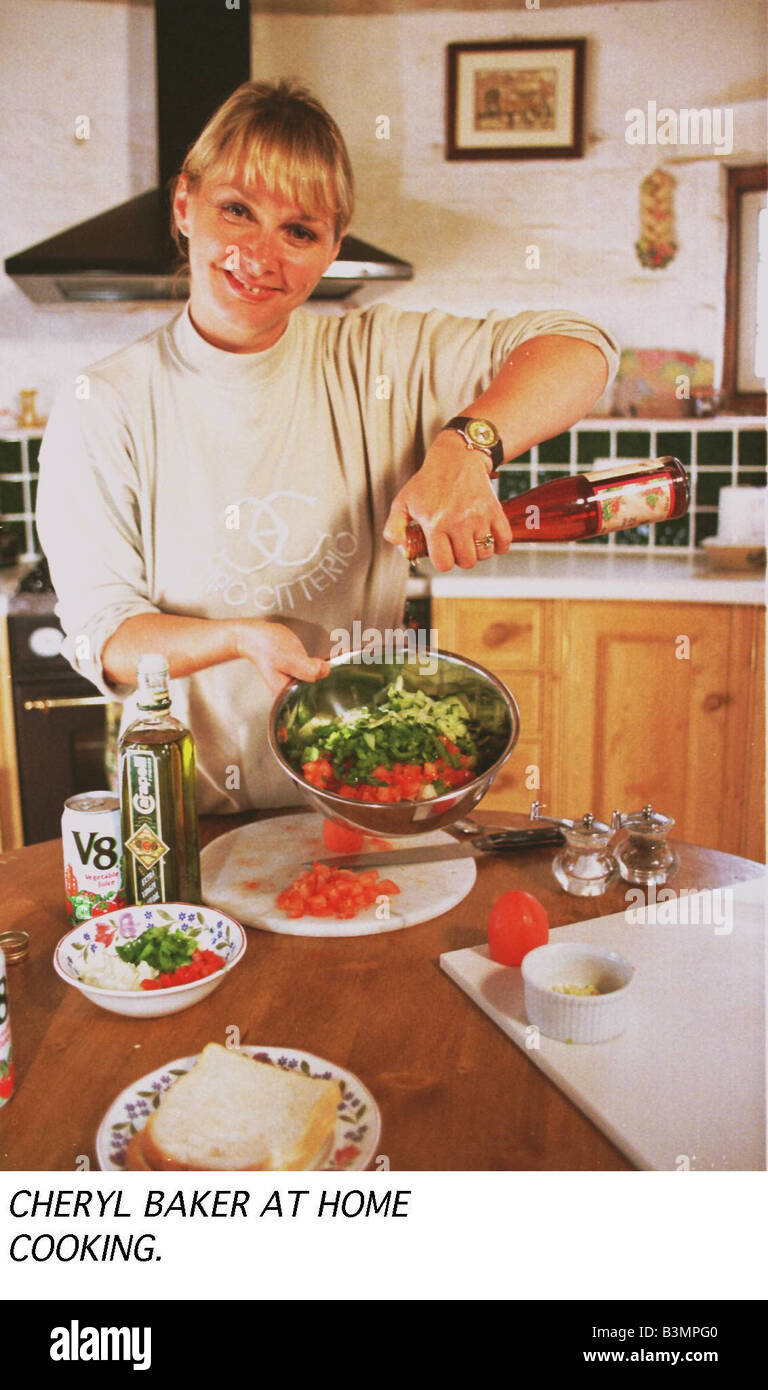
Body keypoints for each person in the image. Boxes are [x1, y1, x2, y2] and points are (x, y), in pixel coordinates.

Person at [37, 80, 618, 814]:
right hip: (187, 818)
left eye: (299, 231)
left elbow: (580, 347)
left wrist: (466, 450)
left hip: (359, 797)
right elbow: (108, 637)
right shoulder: (105, 403)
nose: (259, 253)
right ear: (185, 205)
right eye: (237, 210)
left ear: (333, 248)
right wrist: (243, 637)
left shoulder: (379, 357)